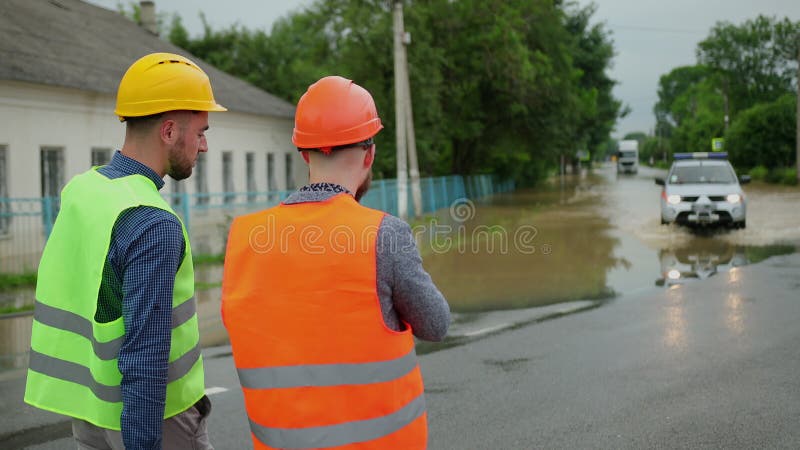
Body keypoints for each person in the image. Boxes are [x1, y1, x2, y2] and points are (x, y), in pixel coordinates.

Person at [221, 76, 451, 449]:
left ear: (304, 154)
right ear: (369, 154)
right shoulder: (384, 234)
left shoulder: (244, 237)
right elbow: (436, 324)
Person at [24, 52, 227, 450]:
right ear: (168, 131)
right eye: (201, 132)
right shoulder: (153, 223)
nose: (203, 146)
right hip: (153, 420)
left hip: (90, 410)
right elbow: (145, 355)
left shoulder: (82, 190)